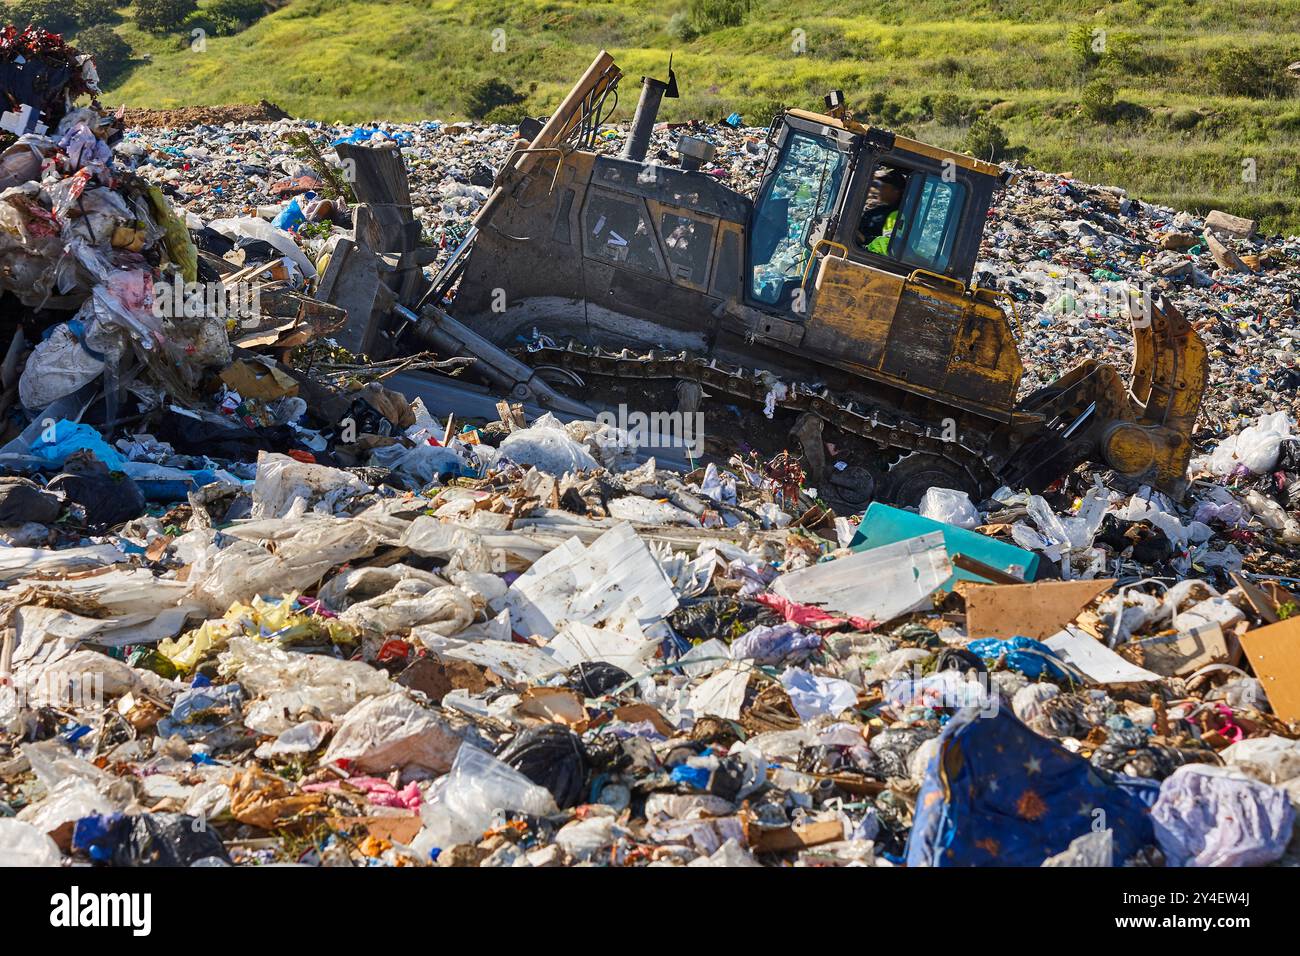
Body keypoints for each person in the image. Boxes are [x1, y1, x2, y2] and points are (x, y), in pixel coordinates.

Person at [856, 166, 907, 254]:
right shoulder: (876, 209)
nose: (878, 189)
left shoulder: (896, 215)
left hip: (867, 256)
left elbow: (889, 245)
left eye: (882, 186)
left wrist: (864, 238)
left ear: (896, 191)